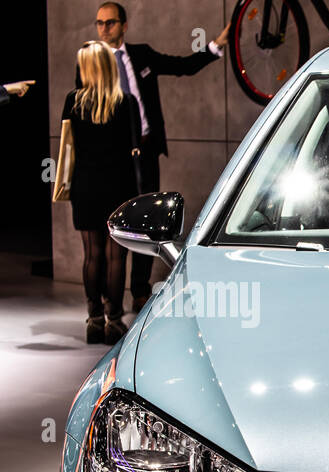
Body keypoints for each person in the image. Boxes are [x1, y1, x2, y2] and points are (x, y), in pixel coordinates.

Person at [83, 3, 229, 311]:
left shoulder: (142, 54)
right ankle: (106, 303)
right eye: (99, 23)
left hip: (145, 150)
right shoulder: (91, 62)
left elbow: (182, 66)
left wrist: (215, 46)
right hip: (111, 159)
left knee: (145, 220)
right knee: (110, 229)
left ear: (124, 25)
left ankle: (139, 290)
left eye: (110, 23)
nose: (104, 29)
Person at [63, 40, 141, 345]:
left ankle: (93, 318)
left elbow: (67, 145)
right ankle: (114, 320)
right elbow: (134, 147)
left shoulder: (73, 101)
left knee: (91, 254)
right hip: (117, 186)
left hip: (84, 185)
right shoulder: (126, 102)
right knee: (115, 256)